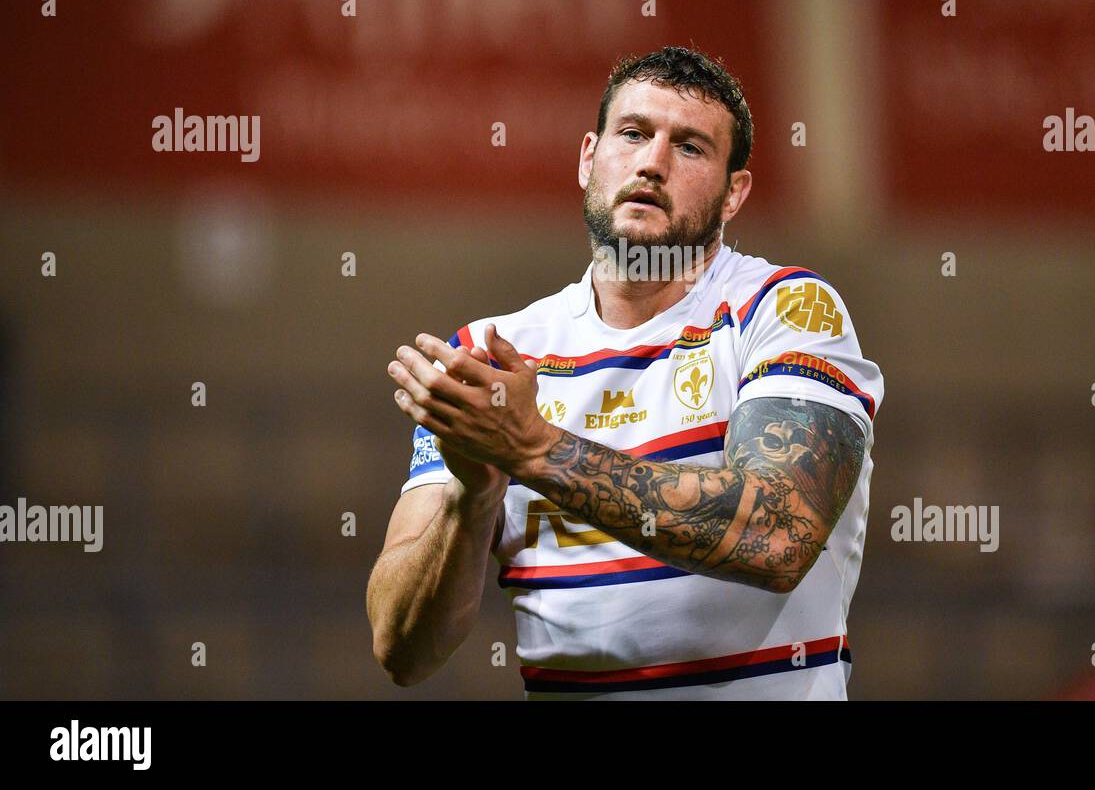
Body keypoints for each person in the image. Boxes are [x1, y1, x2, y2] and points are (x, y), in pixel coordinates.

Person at [367, 46, 884, 699]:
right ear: (590, 156)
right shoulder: (493, 352)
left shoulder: (785, 311)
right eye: (634, 133)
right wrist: (474, 498)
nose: (652, 162)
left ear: (734, 193)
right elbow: (401, 650)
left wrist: (532, 448)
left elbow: (774, 535)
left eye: (690, 147)